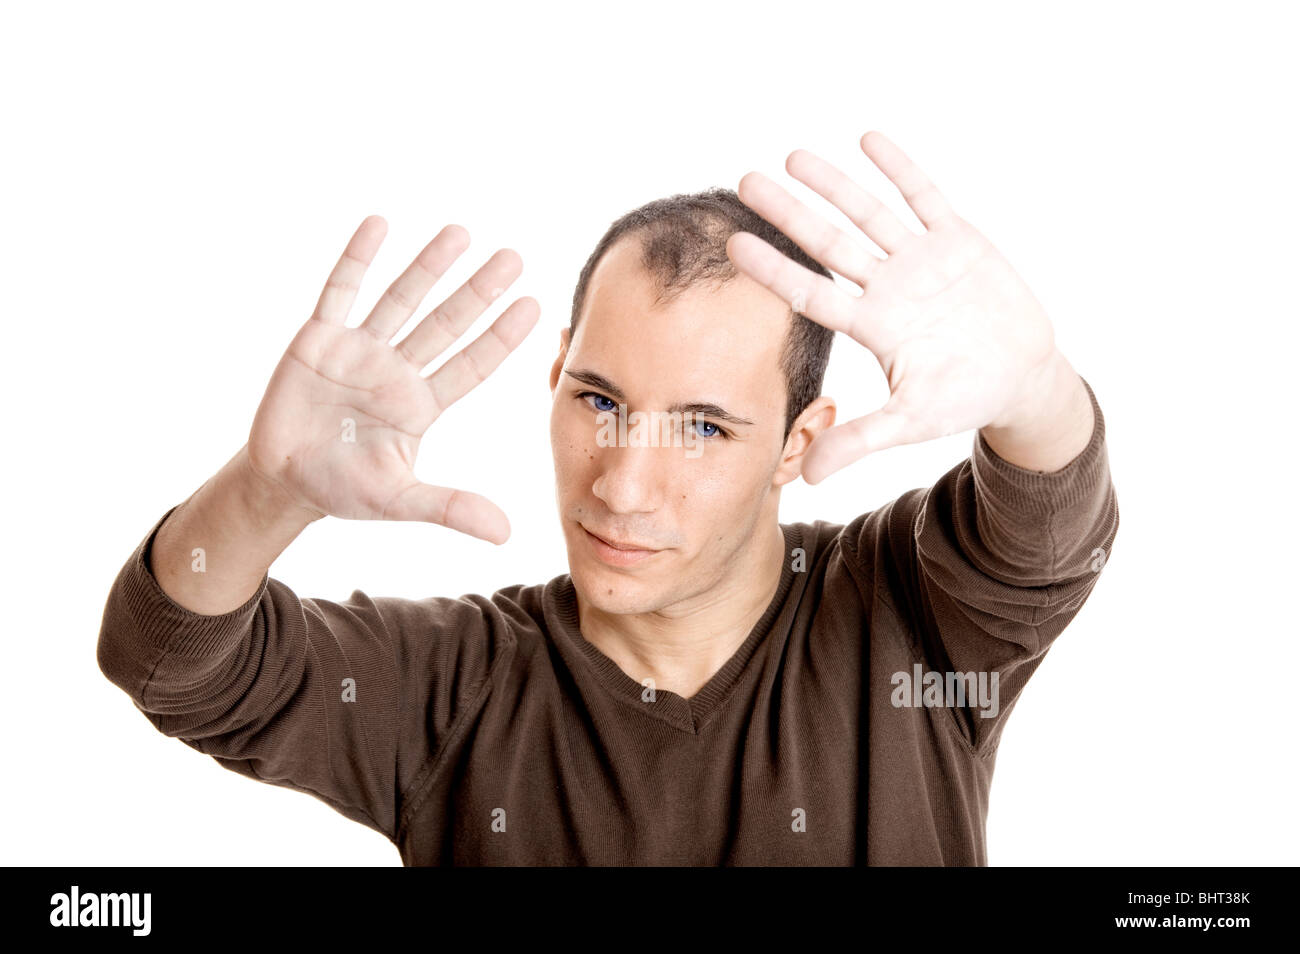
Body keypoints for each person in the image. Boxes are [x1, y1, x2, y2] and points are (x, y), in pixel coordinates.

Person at [97, 131, 1118, 865]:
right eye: (599, 400)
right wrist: (265, 493)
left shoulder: (905, 612)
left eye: (705, 426)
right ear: (553, 381)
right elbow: (167, 657)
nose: (623, 485)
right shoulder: (453, 688)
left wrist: (1033, 392)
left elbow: (1041, 529)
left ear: (795, 442)